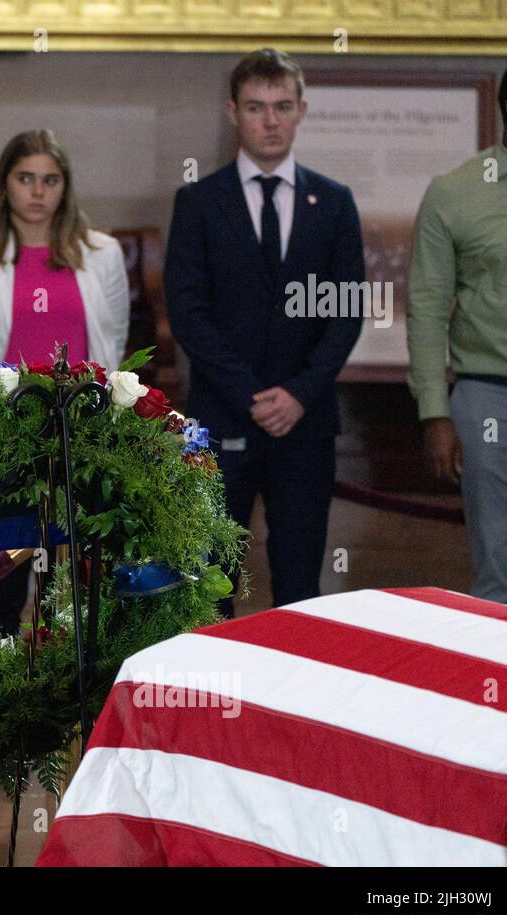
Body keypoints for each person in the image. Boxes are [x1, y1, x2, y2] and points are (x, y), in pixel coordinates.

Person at [164, 48, 364, 613]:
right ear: (233, 111)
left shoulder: (335, 202)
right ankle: (213, 698)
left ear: (302, 110)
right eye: (256, 107)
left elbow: (346, 313)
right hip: (224, 414)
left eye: (282, 106)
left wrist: (298, 395)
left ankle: (294, 699)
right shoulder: (199, 202)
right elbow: (188, 313)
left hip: (307, 422)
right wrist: (252, 397)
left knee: (302, 586)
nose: (270, 121)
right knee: (211, 585)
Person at [407, 53, 507, 608]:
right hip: (492, 399)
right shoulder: (455, 192)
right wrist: (435, 413)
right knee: (498, 575)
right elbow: (427, 306)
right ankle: (504, 690)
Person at [0, 129, 130, 379]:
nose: (38, 191)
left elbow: (114, 338)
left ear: (65, 187)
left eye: (50, 180)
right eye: (25, 179)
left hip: (81, 407)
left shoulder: (104, 252)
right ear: (4, 184)